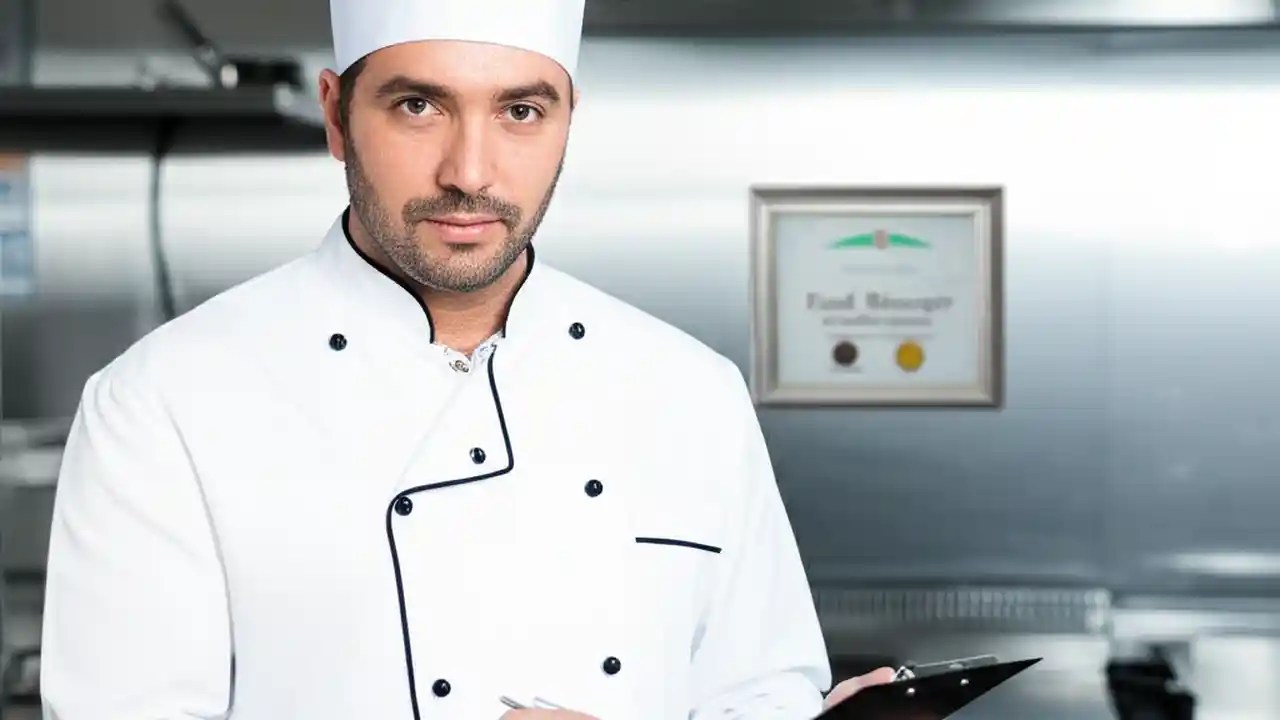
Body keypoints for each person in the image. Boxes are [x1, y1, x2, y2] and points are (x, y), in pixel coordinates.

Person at [39, 0, 891, 717]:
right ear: (337, 116)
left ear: (566, 121)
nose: (470, 171)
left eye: (521, 111)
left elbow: (760, 690)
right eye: (420, 106)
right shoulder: (164, 403)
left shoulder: (691, 390)